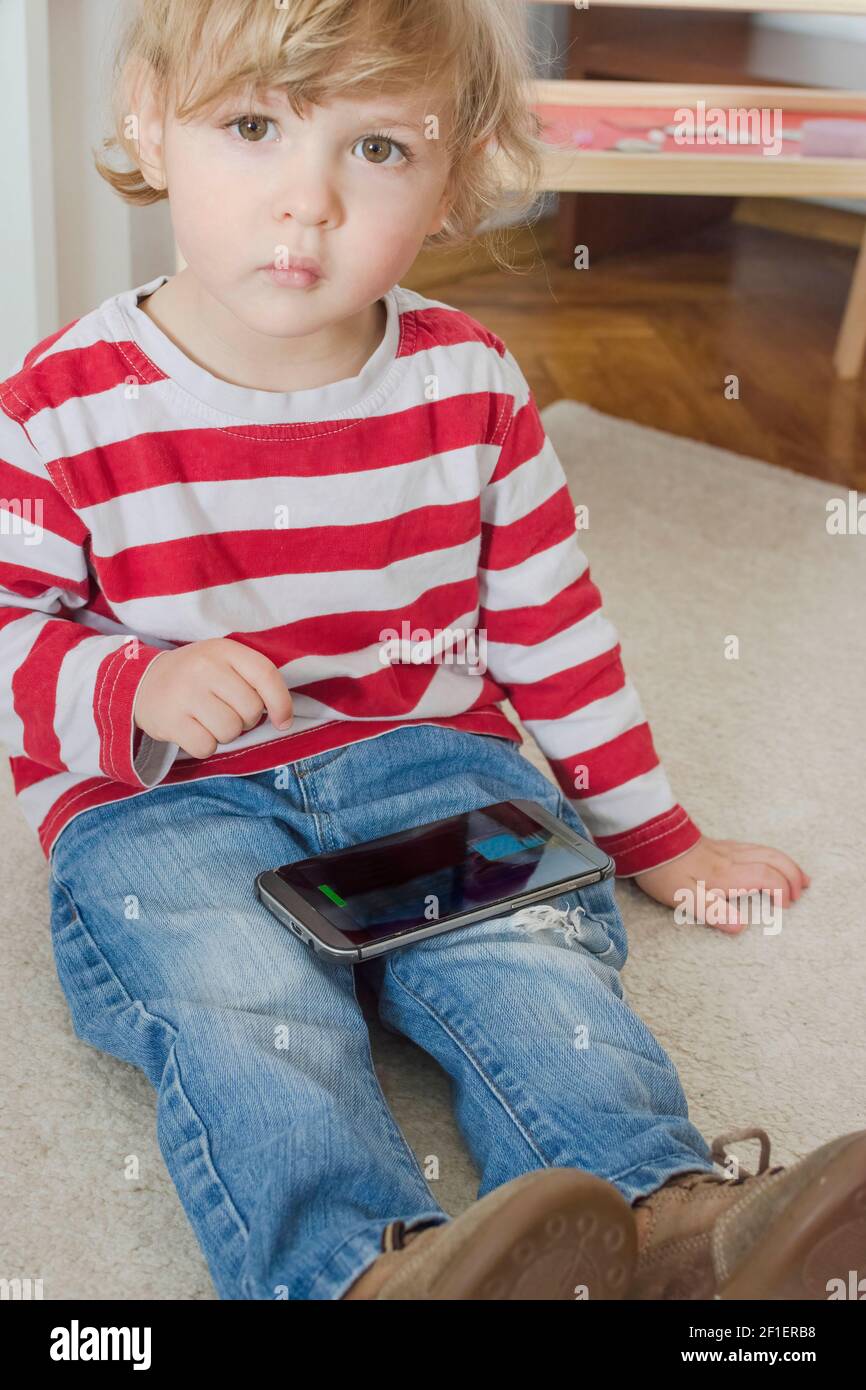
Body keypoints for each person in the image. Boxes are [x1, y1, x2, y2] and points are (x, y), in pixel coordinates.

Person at [1, 0, 861, 1301]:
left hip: (428, 771)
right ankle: (358, 1272)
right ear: (149, 127)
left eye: (377, 151)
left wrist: (654, 840)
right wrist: (135, 683)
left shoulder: (466, 384)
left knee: (520, 957)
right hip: (161, 807)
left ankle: (670, 1218)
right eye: (252, 129)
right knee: (239, 995)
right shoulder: (56, 406)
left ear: (453, 181)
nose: (310, 204)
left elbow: (551, 630)